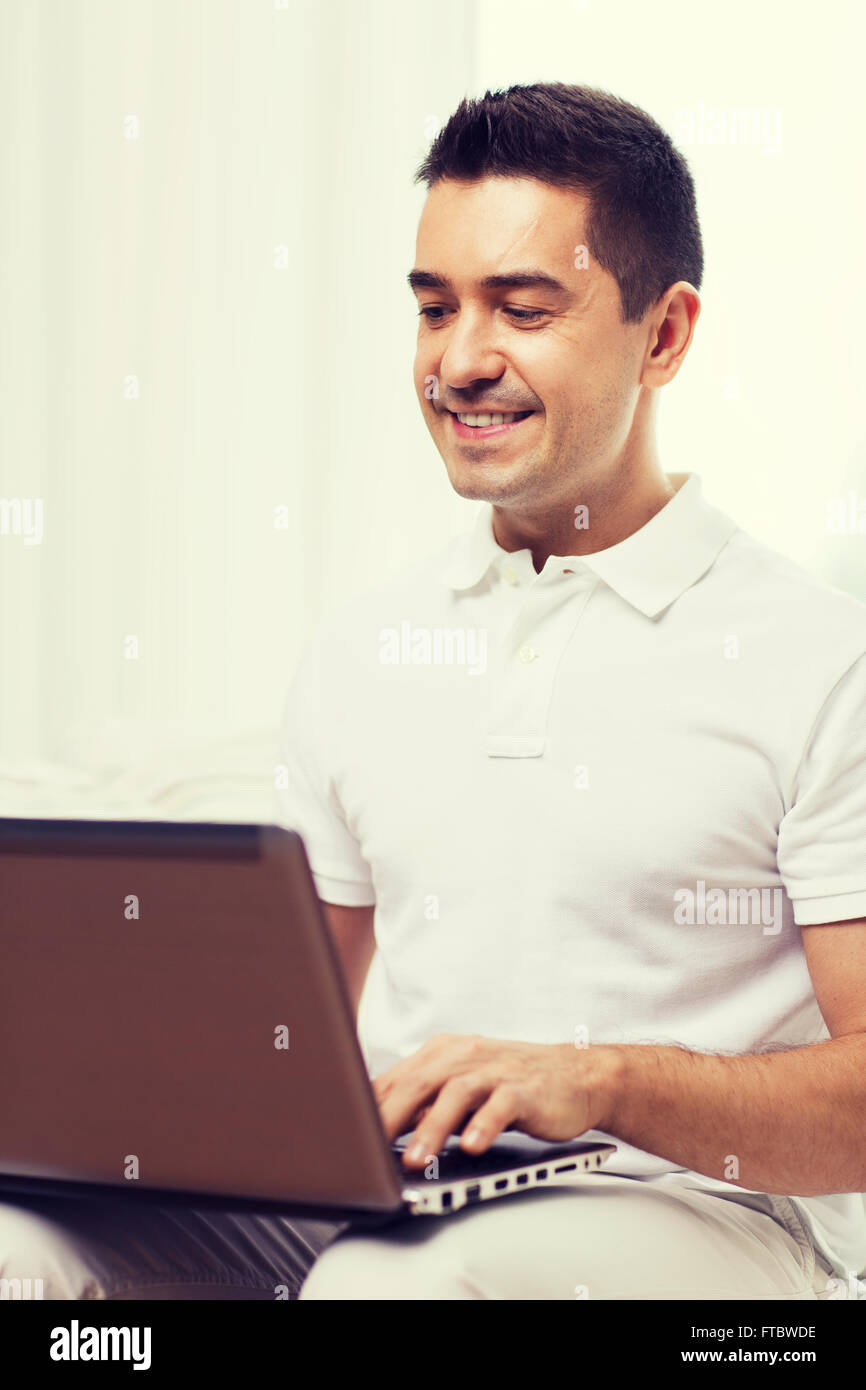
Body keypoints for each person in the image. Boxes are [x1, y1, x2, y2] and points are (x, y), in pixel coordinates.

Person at [3, 82, 864, 1303]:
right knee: (18, 1256)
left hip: (698, 1211)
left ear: (662, 334)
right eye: (432, 307)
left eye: (521, 308)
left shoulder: (818, 658)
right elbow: (284, 1030)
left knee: (384, 1292)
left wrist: (599, 1079)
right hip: (395, 1194)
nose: (459, 361)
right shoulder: (367, 648)